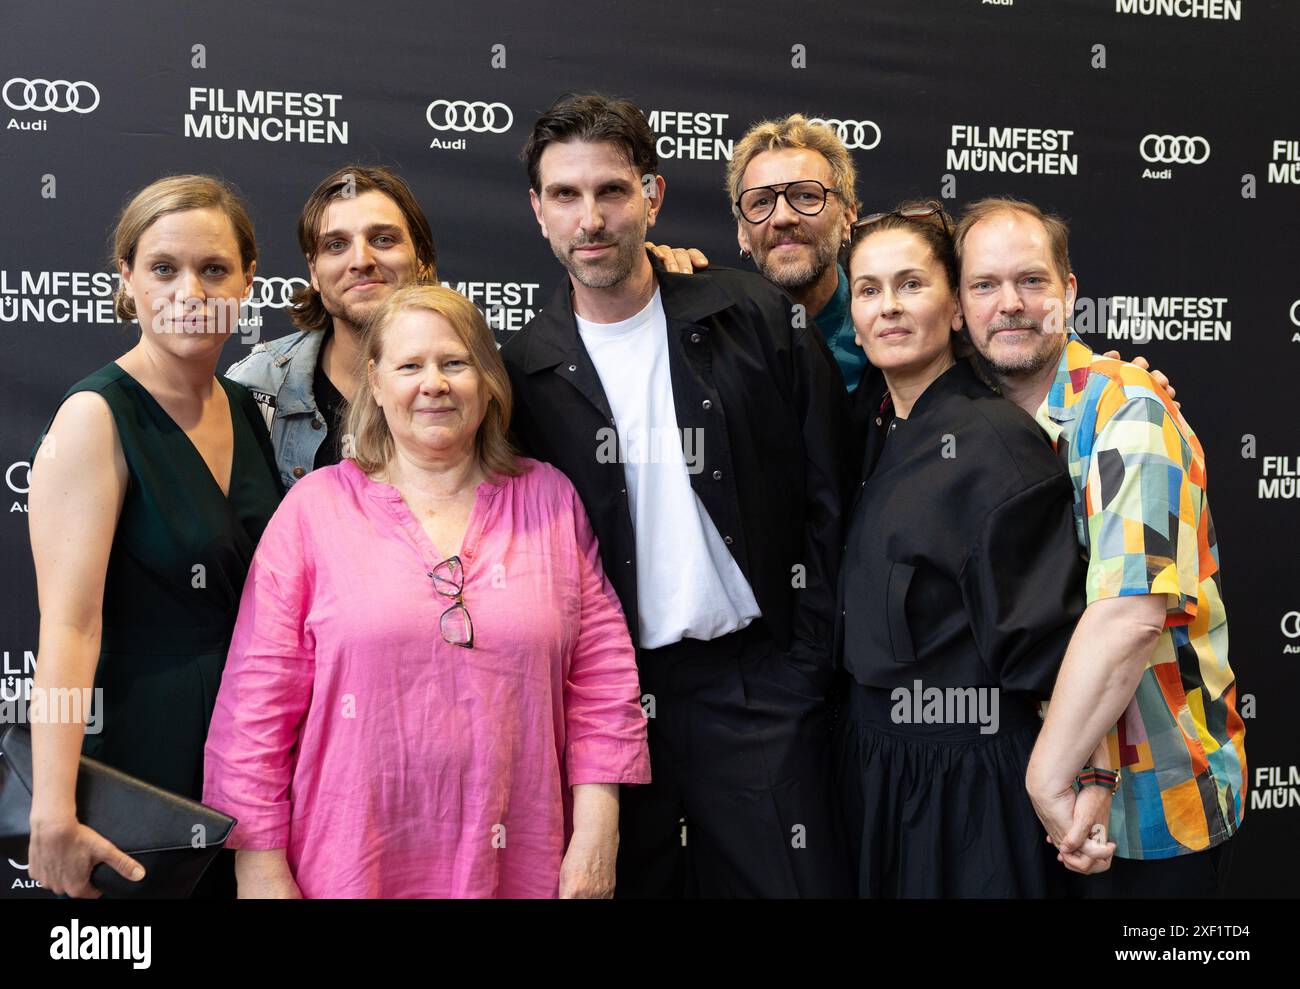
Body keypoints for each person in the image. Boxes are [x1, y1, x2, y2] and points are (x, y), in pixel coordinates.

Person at [502, 93, 852, 898]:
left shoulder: (753, 314)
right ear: (538, 211)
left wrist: (805, 662)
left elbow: (830, 494)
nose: (590, 218)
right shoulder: (520, 371)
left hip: (760, 686)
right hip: (610, 706)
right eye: (566, 195)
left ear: (652, 196)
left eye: (611, 191)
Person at [202, 284, 649, 898]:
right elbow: (255, 708)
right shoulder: (314, 511)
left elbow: (601, 682)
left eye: (455, 363)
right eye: (409, 366)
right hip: (346, 868)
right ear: (377, 385)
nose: (433, 383)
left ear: (487, 381)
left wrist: (598, 837)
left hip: (525, 865)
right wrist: (259, 870)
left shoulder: (549, 499)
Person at [955, 197, 1244, 897]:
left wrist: (1049, 775)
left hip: (1150, 809)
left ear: (1069, 293)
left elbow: (1129, 616)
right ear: (958, 307)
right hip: (1028, 806)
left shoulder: (1128, 408)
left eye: (1032, 281)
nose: (1011, 304)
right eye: (985, 285)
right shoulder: (964, 424)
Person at [25, 175, 283, 898]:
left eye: (213, 269)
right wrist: (52, 804)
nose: (190, 291)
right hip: (138, 768)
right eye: (164, 268)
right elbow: (68, 627)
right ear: (128, 280)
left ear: (247, 281)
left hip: (245, 759)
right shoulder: (96, 416)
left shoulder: (245, 407)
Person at [835, 200, 1095, 897]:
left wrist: (1090, 774)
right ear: (852, 318)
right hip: (883, 774)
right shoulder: (875, 424)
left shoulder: (996, 445)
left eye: (911, 284)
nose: (888, 306)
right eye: (868, 289)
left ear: (954, 309)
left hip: (969, 793)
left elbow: (1051, 657)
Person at [225, 165, 438, 488]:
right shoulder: (256, 386)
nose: (361, 260)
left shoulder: (478, 381)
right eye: (336, 245)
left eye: (382, 239)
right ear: (313, 270)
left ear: (421, 258)